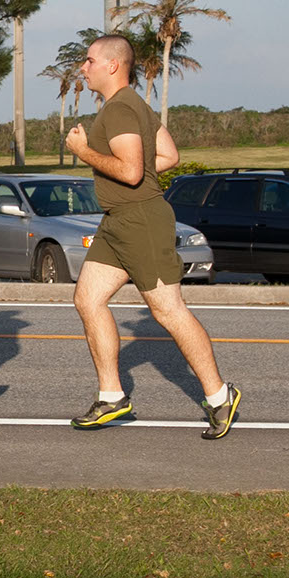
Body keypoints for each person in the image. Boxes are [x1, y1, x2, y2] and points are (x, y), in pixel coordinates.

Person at [63, 33, 241, 437]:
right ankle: (112, 396)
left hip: (141, 220)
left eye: (90, 61)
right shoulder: (133, 106)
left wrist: (83, 151)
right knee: (88, 299)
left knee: (168, 311)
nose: (84, 68)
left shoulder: (121, 110)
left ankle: (219, 396)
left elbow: (130, 171)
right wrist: (136, 178)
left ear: (112, 65)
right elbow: (169, 156)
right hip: (118, 221)